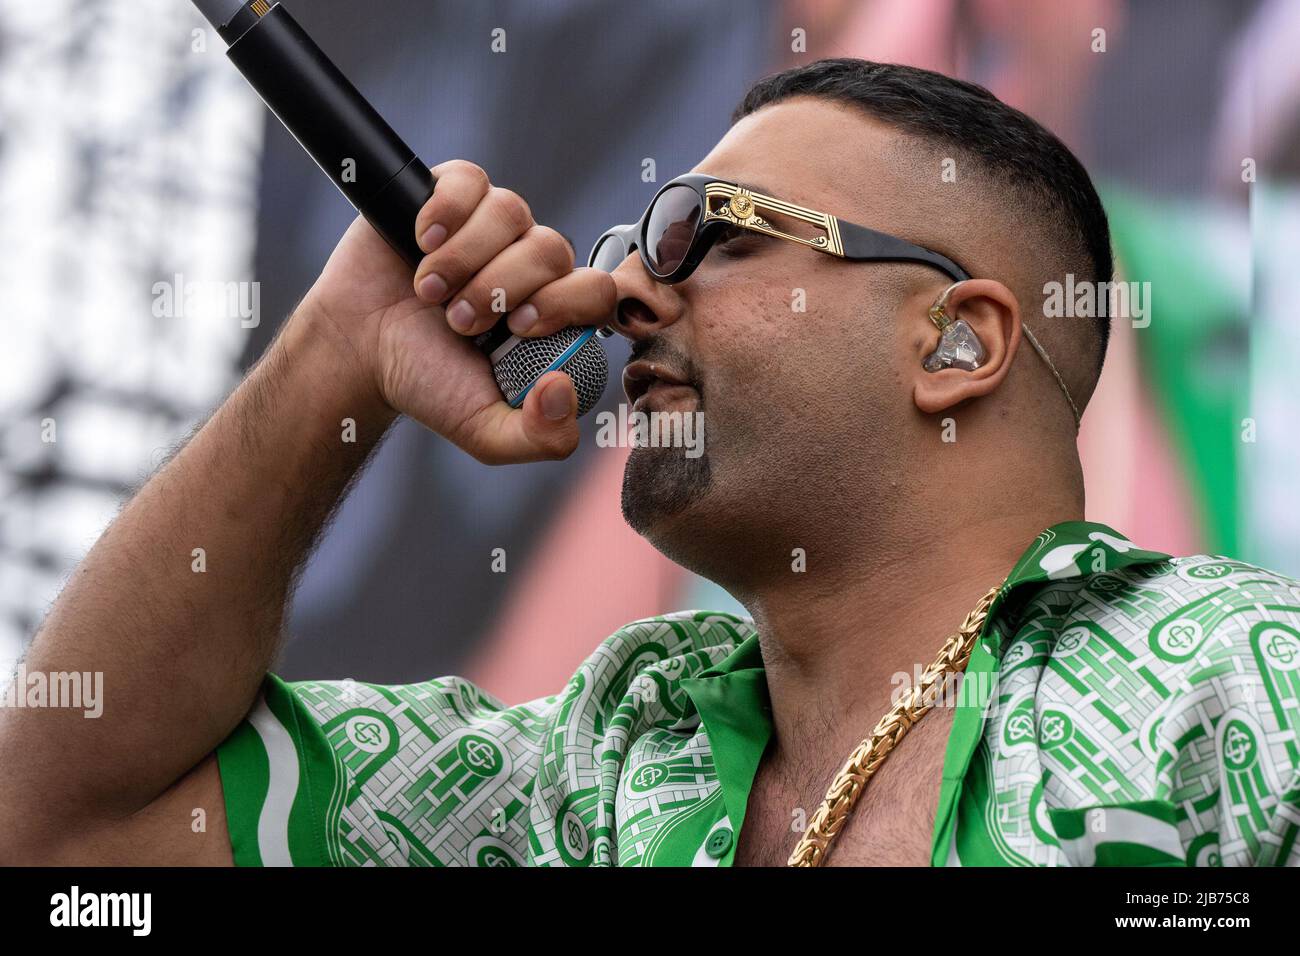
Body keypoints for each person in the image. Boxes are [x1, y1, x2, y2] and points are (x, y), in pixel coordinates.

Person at [2, 59, 1296, 867]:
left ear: (955, 341)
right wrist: (339, 358)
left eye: (701, 235)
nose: (624, 289)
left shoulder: (1250, 688)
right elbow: (65, 831)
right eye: (638, 235)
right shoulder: (584, 783)